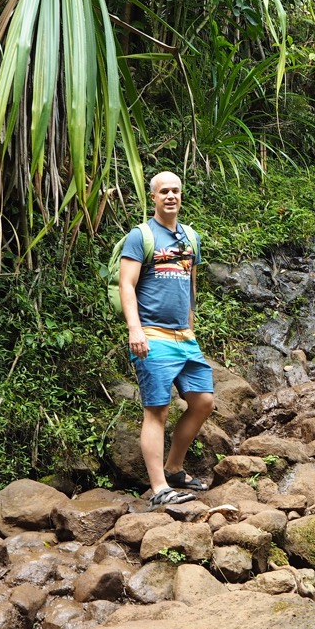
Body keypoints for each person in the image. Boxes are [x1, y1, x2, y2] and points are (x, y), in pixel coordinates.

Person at [118, 171, 215, 506]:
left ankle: (174, 468)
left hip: (184, 336)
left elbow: (191, 283)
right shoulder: (140, 236)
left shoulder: (191, 236)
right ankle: (160, 489)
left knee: (203, 402)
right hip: (152, 334)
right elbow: (127, 284)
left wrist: (190, 324)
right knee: (157, 411)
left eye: (175, 191)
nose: (170, 196)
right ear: (154, 198)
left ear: (181, 195)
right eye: (164, 192)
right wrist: (134, 329)